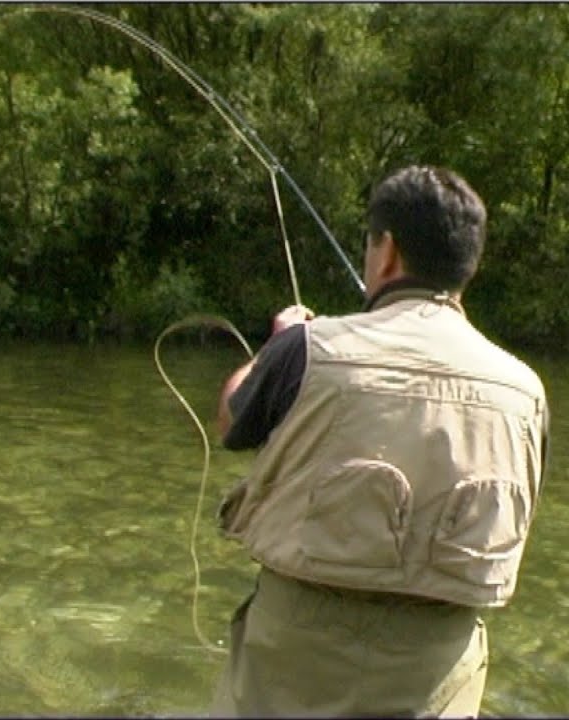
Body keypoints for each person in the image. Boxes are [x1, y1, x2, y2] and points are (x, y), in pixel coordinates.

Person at [209, 165, 549, 717]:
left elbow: (231, 421)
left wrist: (276, 344)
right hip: (440, 668)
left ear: (386, 251)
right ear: (469, 263)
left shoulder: (305, 348)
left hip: (294, 659)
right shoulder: (527, 391)